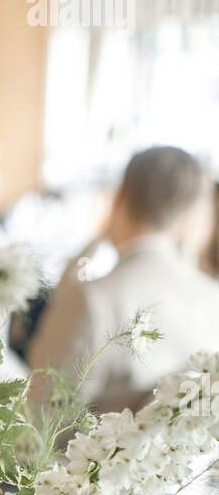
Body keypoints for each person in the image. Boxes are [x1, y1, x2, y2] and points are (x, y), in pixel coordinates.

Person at [28, 146, 219, 410]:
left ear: (119, 199)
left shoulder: (92, 297)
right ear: (192, 216)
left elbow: (40, 418)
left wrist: (95, 240)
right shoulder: (212, 296)